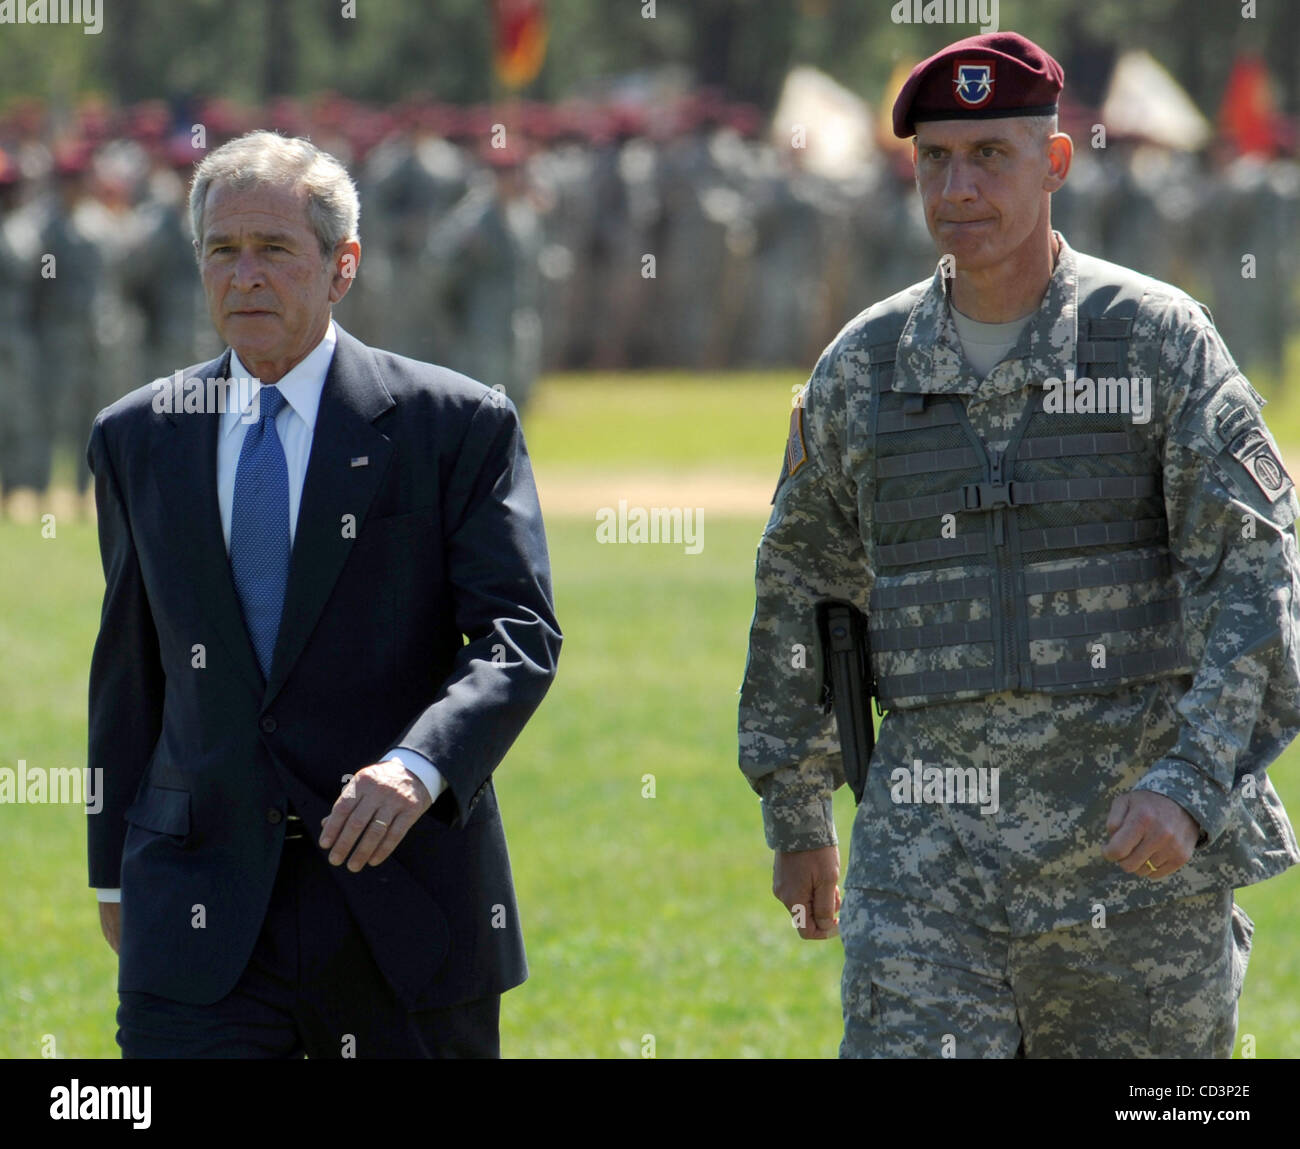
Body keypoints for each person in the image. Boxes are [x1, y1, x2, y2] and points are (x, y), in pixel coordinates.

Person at [738, 32, 1300, 1059]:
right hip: (927, 863)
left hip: (1133, 863)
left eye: (989, 155)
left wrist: (1190, 786)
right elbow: (803, 589)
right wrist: (797, 807)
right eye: (935, 160)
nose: (958, 187)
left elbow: (1254, 580)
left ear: (1052, 165)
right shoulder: (862, 368)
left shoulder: (1157, 343)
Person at [87, 131, 561, 1058]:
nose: (245, 277)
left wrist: (418, 766)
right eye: (222, 251)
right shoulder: (137, 436)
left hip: (401, 903)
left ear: (342, 267)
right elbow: (128, 670)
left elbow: (515, 634)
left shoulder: (454, 425)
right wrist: (113, 875)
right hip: (196, 915)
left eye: (274, 250)